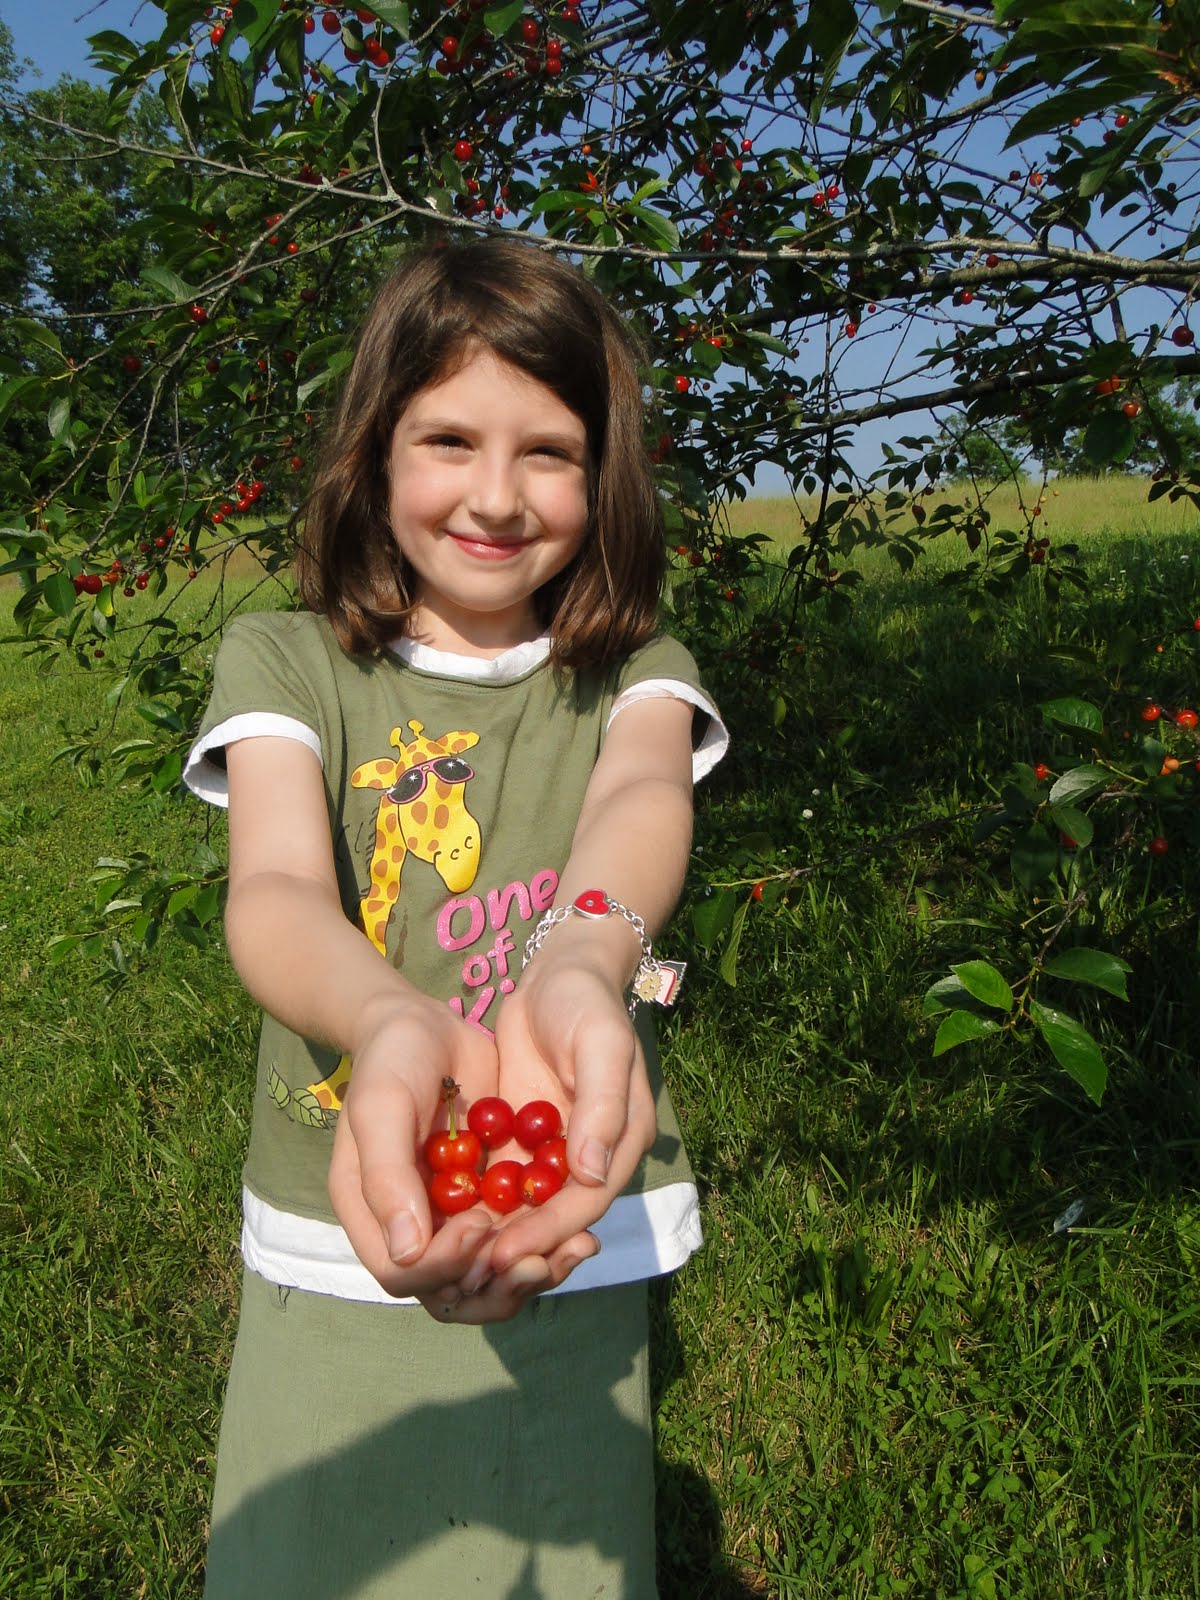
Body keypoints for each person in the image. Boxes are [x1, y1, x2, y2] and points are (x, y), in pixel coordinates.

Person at [184, 234, 728, 1599]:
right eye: (448, 439)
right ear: (373, 453)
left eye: (550, 450)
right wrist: (386, 1015)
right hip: (337, 1215)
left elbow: (639, 810)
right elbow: (280, 892)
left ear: (605, 477)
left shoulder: (636, 674)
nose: (497, 495)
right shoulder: (288, 661)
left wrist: (584, 966)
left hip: (566, 1211)